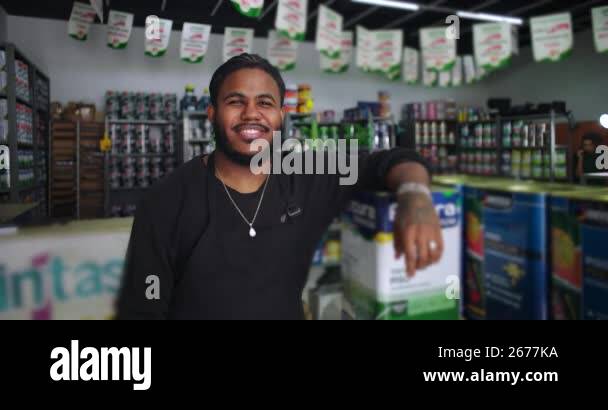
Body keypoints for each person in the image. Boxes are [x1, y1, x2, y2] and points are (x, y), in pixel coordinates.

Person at [116, 54, 443, 320]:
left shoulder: (309, 173)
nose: (251, 114)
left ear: (281, 116)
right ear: (212, 114)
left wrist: (415, 196)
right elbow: (142, 310)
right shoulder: (164, 201)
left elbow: (391, 160)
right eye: (235, 101)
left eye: (265, 103)